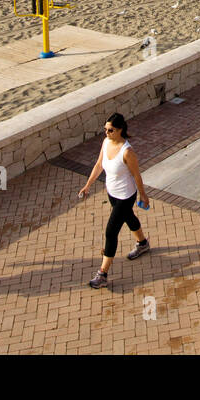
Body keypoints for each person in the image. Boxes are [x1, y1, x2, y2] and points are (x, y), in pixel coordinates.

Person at [78, 113, 150, 289]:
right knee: (128, 218)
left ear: (120, 130)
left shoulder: (128, 152)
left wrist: (143, 195)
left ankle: (102, 274)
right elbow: (98, 165)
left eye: (110, 130)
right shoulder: (106, 143)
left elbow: (136, 175)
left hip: (126, 196)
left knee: (111, 233)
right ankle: (142, 243)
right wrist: (87, 185)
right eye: (105, 129)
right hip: (112, 193)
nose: (107, 133)